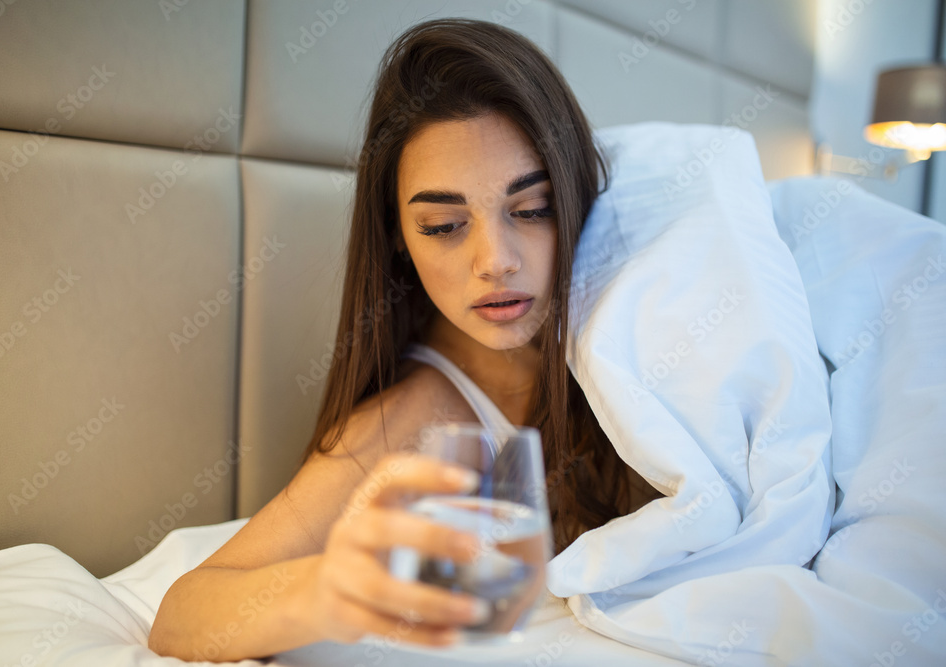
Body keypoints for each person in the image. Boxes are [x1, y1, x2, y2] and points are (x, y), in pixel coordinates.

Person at [148, 17, 661, 662]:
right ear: (397, 236)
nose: (494, 260)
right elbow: (183, 614)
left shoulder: (641, 327)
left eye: (532, 209)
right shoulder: (413, 424)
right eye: (445, 225)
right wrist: (332, 584)